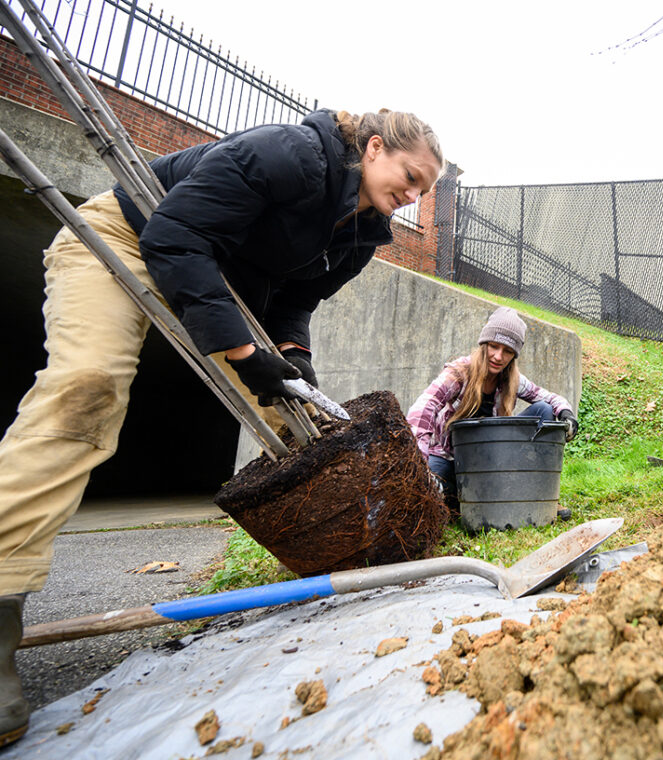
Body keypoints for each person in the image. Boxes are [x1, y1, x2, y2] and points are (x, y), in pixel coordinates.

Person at [0, 108, 444, 746]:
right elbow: (175, 235)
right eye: (410, 176)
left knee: (298, 422)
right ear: (374, 148)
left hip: (214, 277)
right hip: (127, 236)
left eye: (424, 191)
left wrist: (293, 363)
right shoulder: (293, 154)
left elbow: (296, 302)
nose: (412, 196)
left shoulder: (363, 235)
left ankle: (354, 571)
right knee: (85, 395)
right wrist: (242, 354)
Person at [406, 307, 579, 514]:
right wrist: (420, 464)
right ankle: (464, 498)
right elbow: (423, 407)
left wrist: (566, 413)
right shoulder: (460, 372)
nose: (498, 356)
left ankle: (539, 497)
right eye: (494, 347)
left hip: (495, 462)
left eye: (507, 351)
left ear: (514, 355)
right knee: (437, 488)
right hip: (453, 459)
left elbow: (549, 398)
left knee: (543, 409)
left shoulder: (513, 380)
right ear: (484, 344)